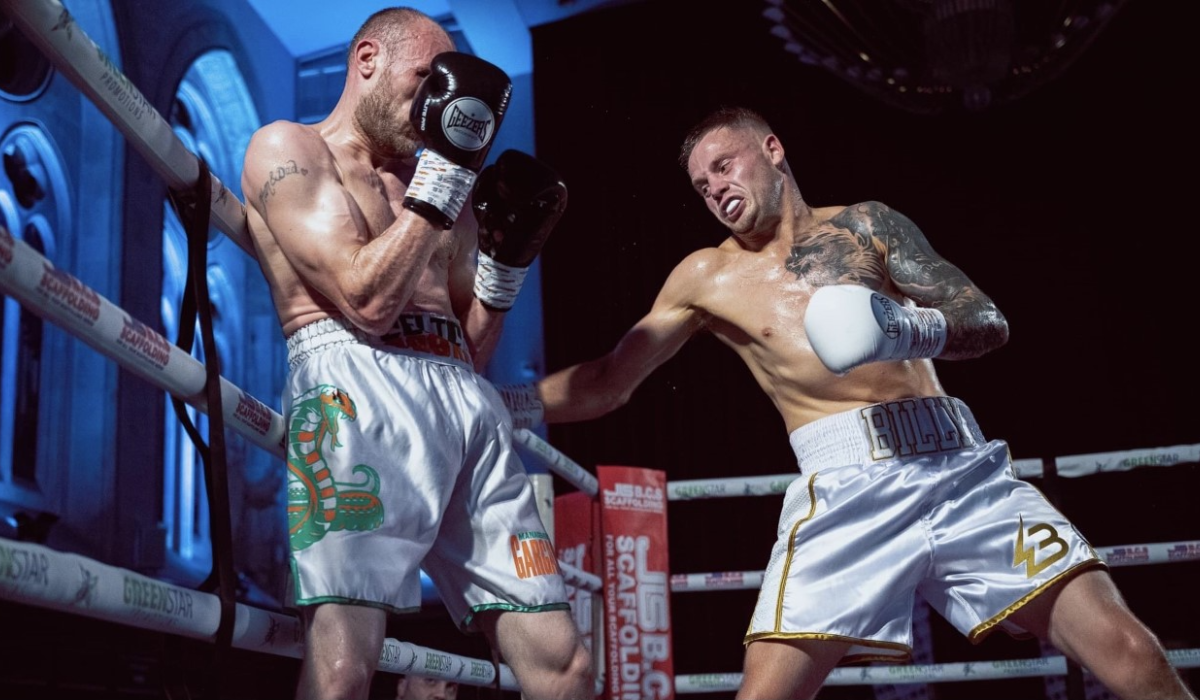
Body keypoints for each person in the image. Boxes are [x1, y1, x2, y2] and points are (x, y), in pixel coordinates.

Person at [504, 106, 1196, 700]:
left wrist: (908, 327)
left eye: (724, 164)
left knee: (1131, 653)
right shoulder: (707, 276)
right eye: (701, 183)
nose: (715, 188)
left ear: (772, 149)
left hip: (961, 474)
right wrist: (496, 403)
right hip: (846, 491)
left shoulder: (870, 225)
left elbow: (985, 319)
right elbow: (606, 381)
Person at [240, 7, 591, 700]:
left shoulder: (442, 195)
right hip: (352, 387)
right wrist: (444, 180)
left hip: (462, 403)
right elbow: (364, 302)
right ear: (367, 59)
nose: (440, 102)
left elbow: (470, 351)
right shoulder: (290, 149)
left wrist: (503, 268)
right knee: (345, 668)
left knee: (565, 665)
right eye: (427, 78)